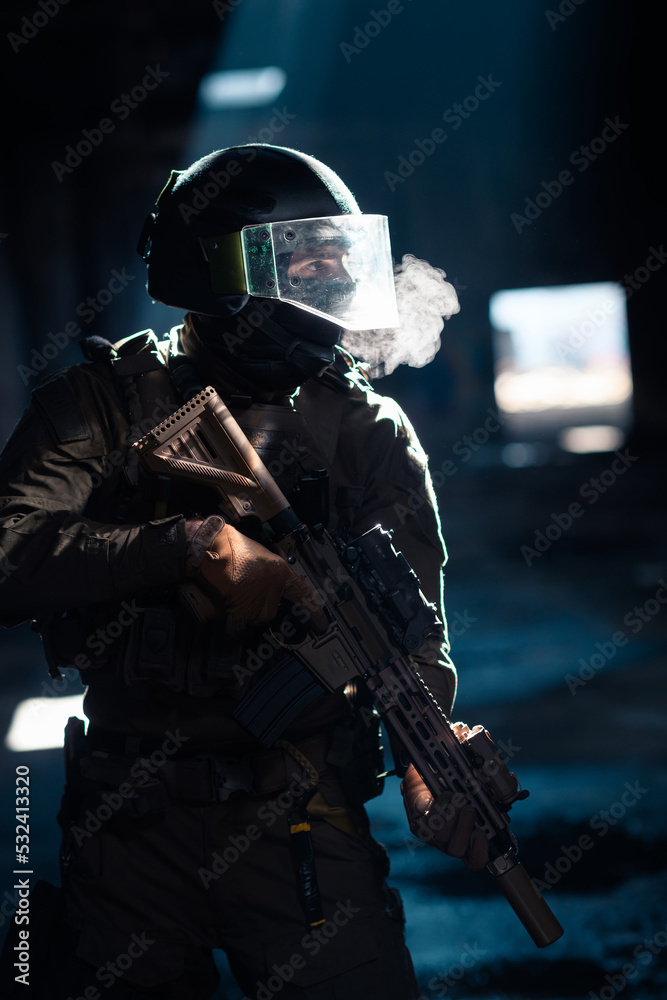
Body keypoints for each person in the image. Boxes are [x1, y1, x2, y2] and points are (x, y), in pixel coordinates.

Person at [0, 144, 487, 999]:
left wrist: (431, 763)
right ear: (216, 271)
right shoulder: (104, 405)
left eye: (342, 258)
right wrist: (184, 546)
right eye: (303, 258)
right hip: (128, 825)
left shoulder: (368, 428)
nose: (329, 279)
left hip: (303, 817)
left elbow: (411, 631)